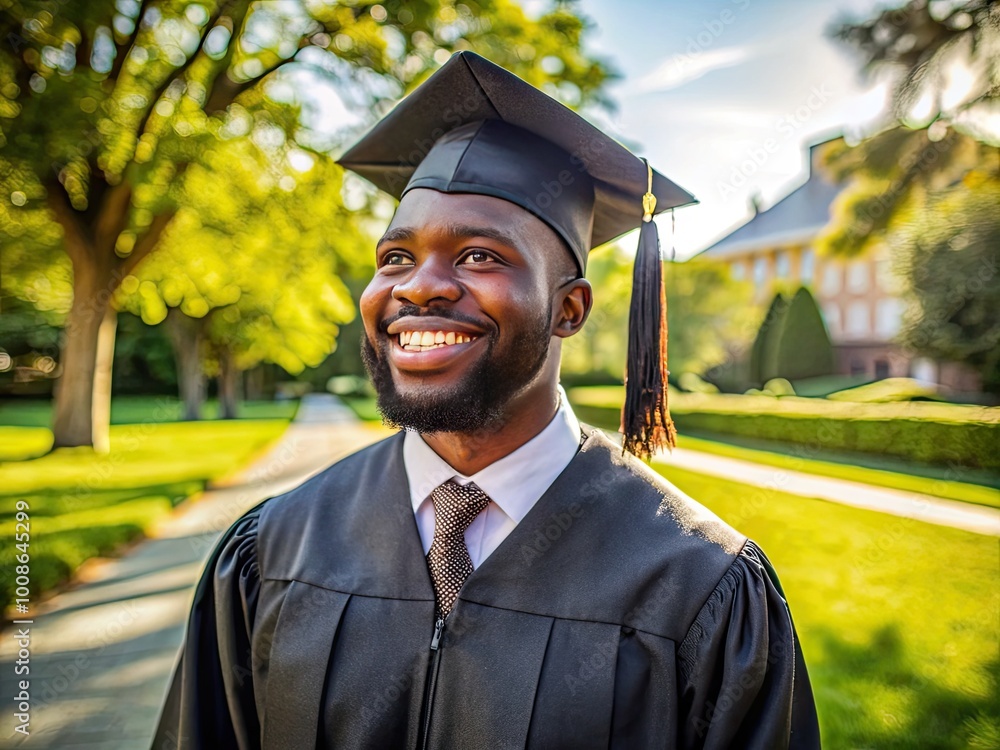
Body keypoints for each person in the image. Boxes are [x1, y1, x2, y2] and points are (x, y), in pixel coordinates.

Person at [152, 52, 820, 749]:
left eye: (479, 256)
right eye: (396, 257)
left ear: (569, 310)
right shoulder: (273, 549)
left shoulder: (698, 585)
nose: (418, 288)